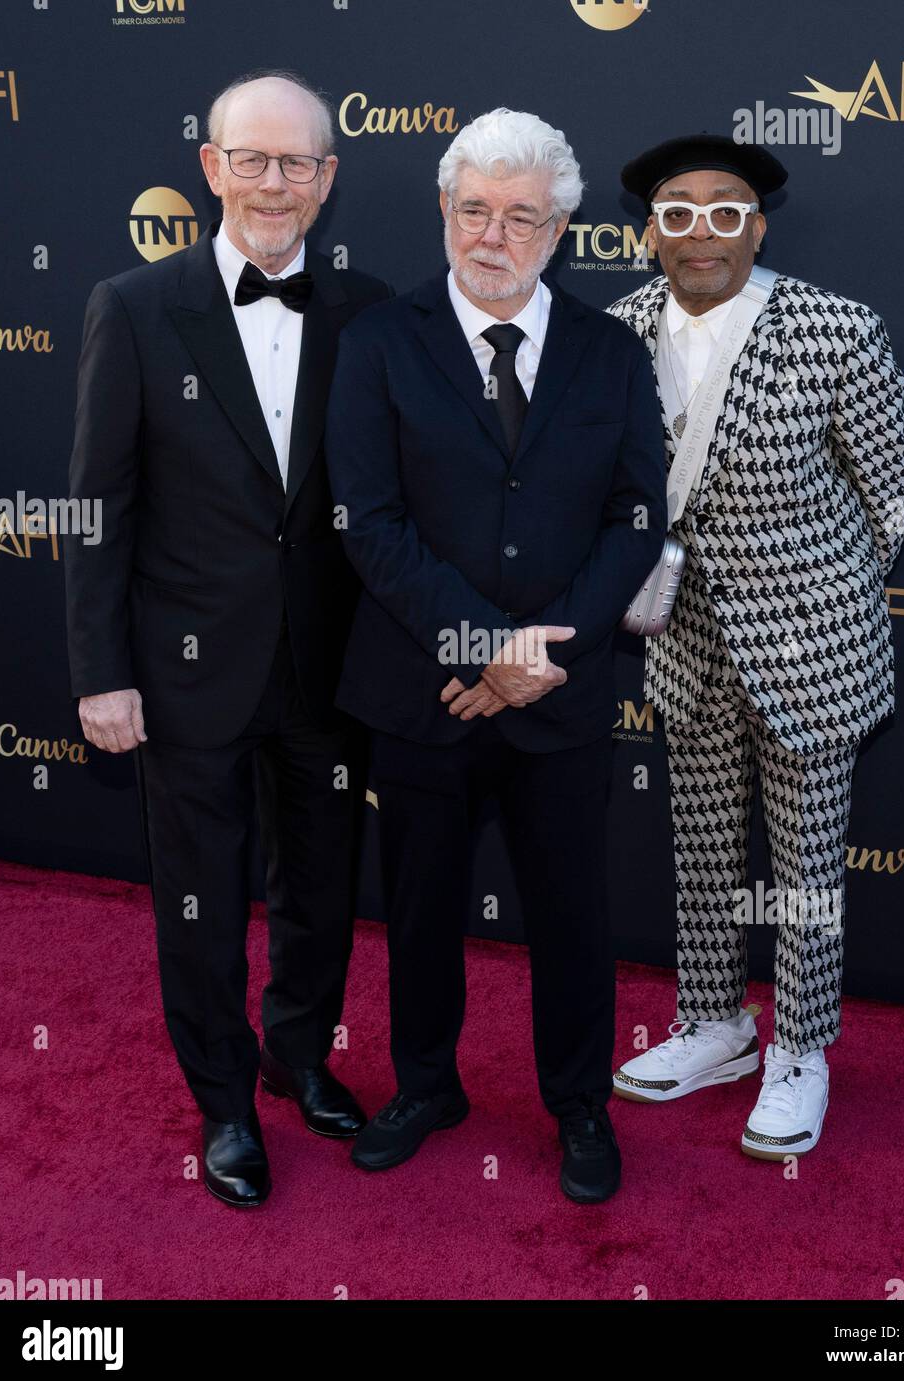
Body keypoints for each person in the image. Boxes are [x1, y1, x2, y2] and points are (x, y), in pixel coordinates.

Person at [326, 109, 667, 1203]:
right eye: (473, 209)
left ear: (560, 228)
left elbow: (635, 515)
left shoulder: (611, 352)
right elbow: (367, 520)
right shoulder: (380, 341)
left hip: (558, 697)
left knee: (572, 916)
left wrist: (539, 654)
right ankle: (425, 1084)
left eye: (521, 216)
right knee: (420, 910)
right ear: (442, 210)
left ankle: (578, 1104)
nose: (492, 234)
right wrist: (482, 648)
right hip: (424, 692)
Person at [65, 70, 392, 1207]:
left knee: (321, 881)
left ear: (327, 181)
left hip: (326, 669)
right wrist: (101, 673)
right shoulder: (134, 305)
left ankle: (297, 1054)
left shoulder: (370, 313)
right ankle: (221, 1103)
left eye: (296, 162)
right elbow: (96, 506)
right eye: (249, 159)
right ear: (209, 167)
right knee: (200, 893)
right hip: (185, 668)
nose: (272, 182)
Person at [610, 134, 904, 1159]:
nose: (703, 228)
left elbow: (888, 495)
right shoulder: (611, 331)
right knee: (700, 847)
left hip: (811, 647)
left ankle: (800, 1047)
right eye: (679, 209)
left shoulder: (836, 329)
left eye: (726, 206)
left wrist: (815, 597)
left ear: (757, 225)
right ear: (651, 231)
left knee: (803, 867)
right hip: (682, 643)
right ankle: (714, 1025)